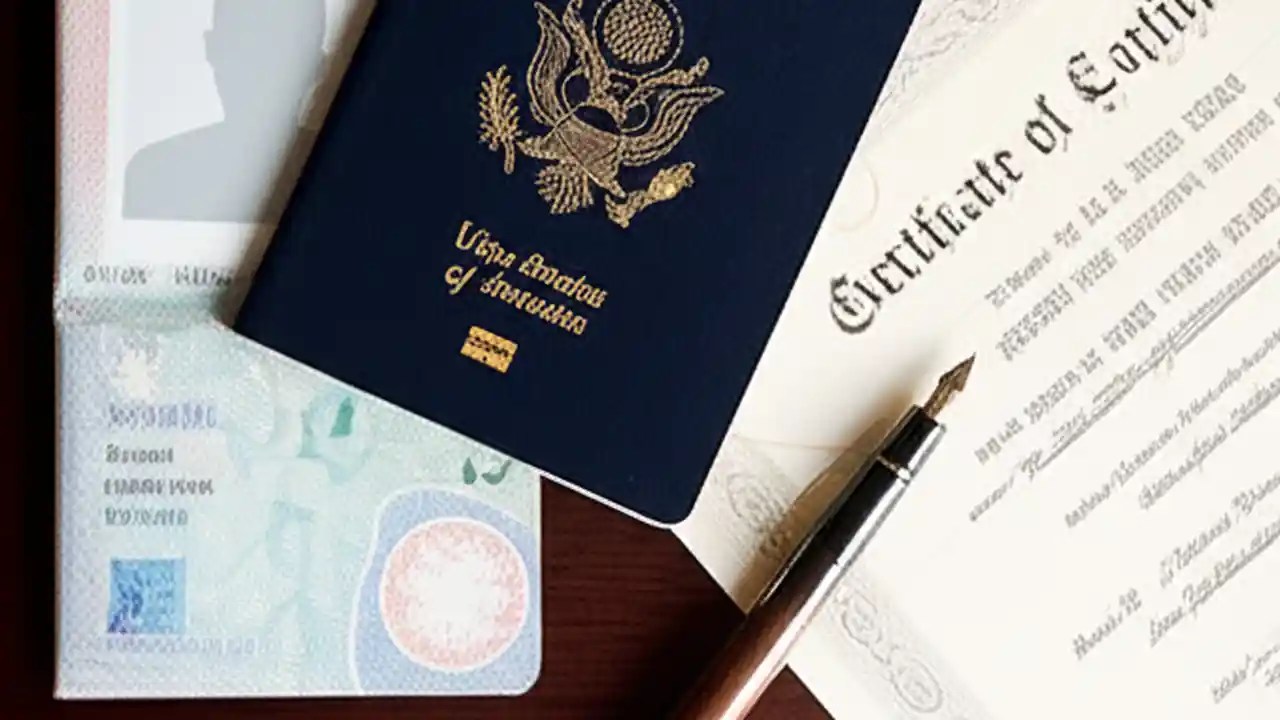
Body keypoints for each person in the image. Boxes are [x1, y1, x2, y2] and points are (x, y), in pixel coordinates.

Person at [124, 0, 327, 223]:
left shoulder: (155, 174)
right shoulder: (154, 176)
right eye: (238, 46)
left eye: (273, 51)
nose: (253, 75)